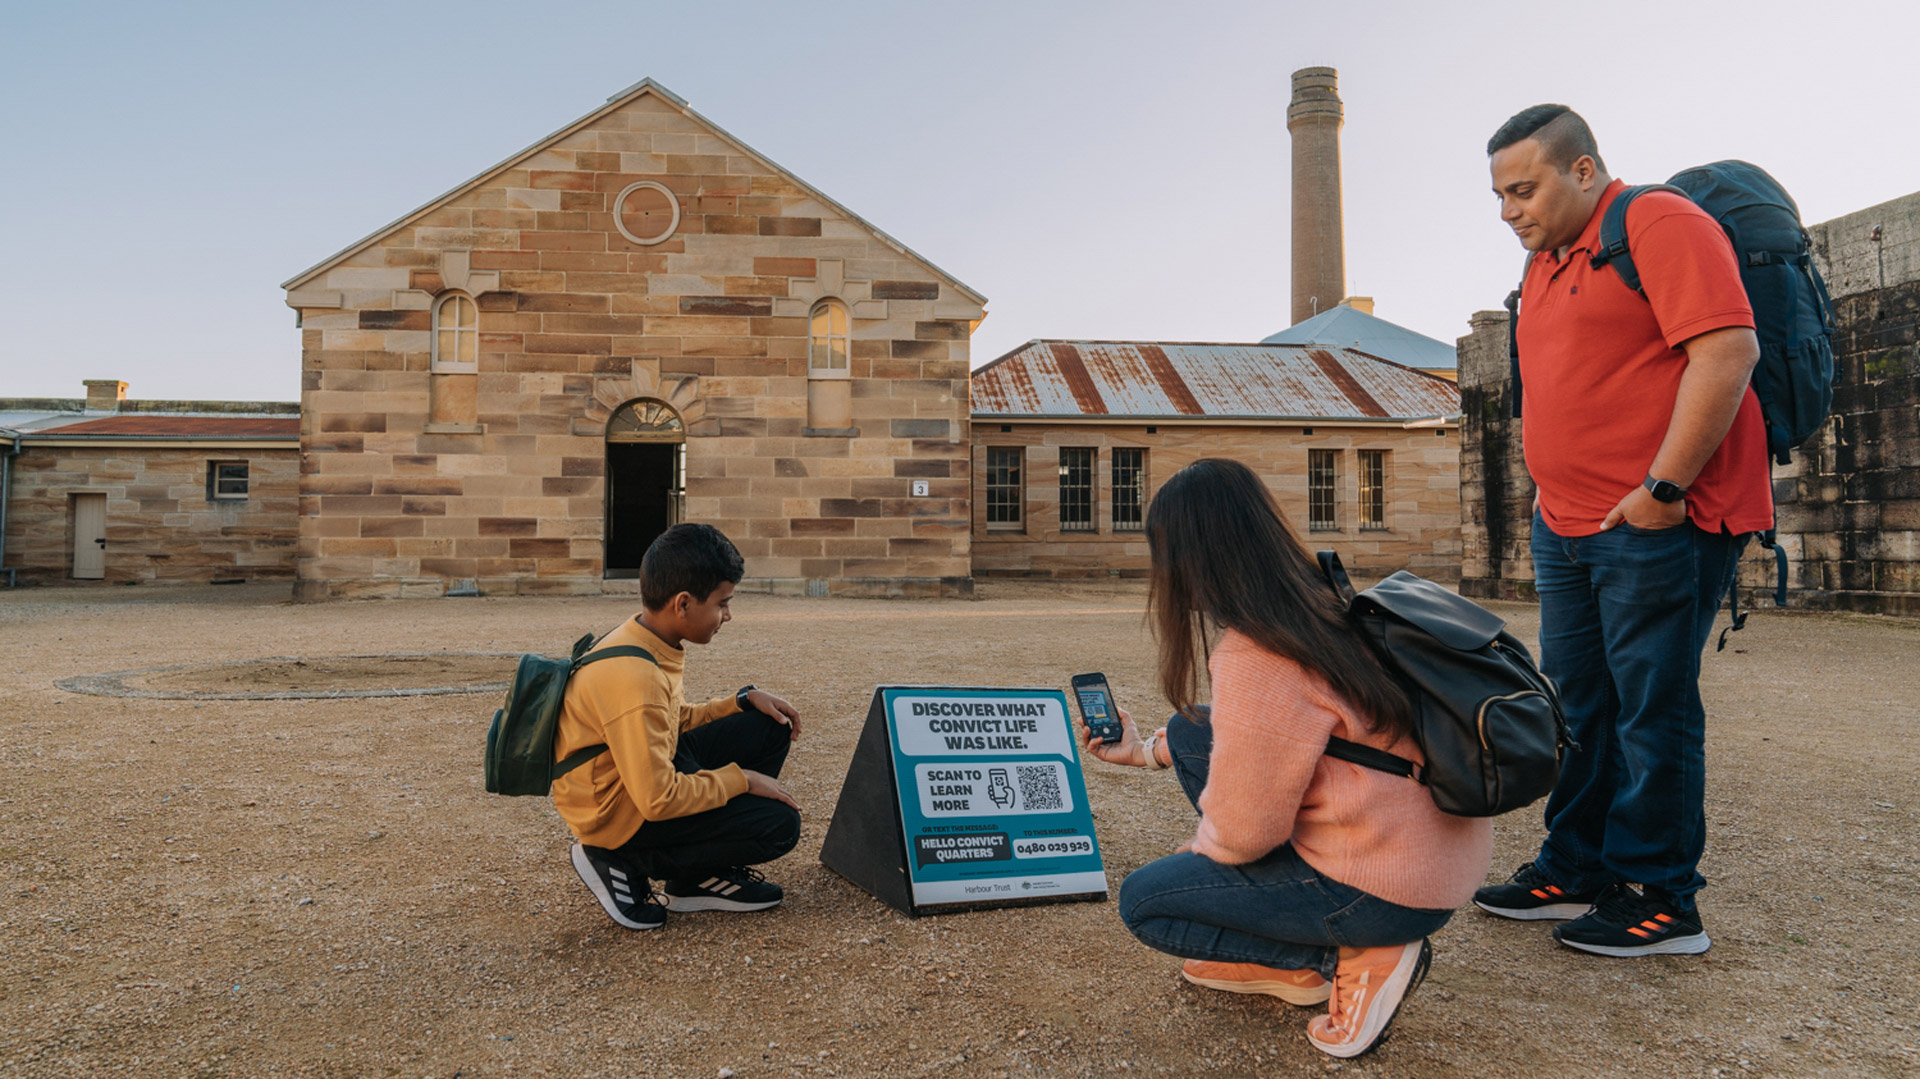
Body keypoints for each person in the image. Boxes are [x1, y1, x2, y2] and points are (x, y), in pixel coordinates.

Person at [1475, 105, 1768, 956]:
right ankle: (1578, 864)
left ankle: (1662, 896)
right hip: (1566, 523)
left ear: (1584, 171)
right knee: (1578, 703)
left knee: (1653, 707)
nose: (1509, 211)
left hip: (1653, 521)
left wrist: (1662, 488)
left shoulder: (1660, 223)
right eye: (1498, 195)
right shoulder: (1543, 263)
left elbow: (1728, 352)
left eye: (1523, 189)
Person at [1085, 459, 1493, 1059]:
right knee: (1191, 726)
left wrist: (1204, 857)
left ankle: (1350, 952)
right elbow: (1275, 735)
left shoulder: (1257, 651)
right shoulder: (1331, 601)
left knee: (1147, 901)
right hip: (1435, 850)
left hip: (1384, 889)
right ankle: (1301, 960)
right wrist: (1144, 751)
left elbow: (1246, 835)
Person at [554, 522, 804, 931]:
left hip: (633, 779)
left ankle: (693, 877)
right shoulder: (638, 678)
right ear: (683, 604)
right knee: (778, 826)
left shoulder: (643, 636)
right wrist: (741, 779)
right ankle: (618, 859)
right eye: (722, 603)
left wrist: (740, 701)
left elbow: (669, 722)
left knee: (767, 725)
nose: (728, 615)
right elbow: (657, 799)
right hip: (617, 815)